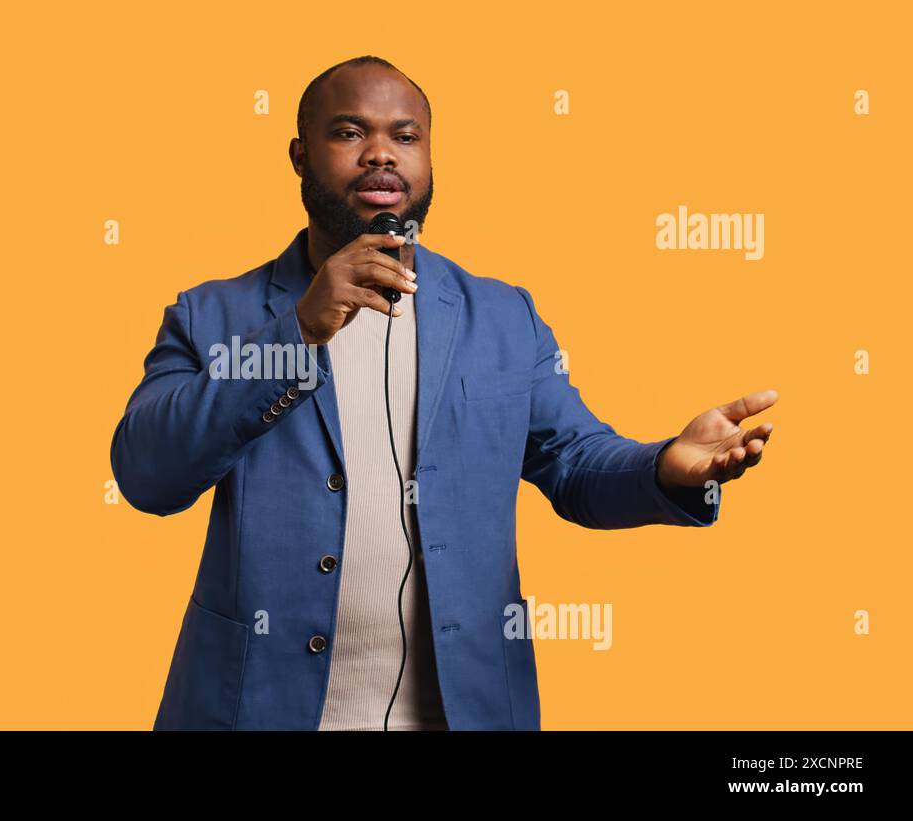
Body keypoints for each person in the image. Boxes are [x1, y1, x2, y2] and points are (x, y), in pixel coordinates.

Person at [110, 55, 776, 731]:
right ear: (299, 156)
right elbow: (147, 474)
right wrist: (298, 330)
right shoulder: (211, 316)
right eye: (348, 133)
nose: (380, 154)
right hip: (256, 711)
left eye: (406, 136)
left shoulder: (502, 318)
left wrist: (665, 465)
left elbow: (576, 464)